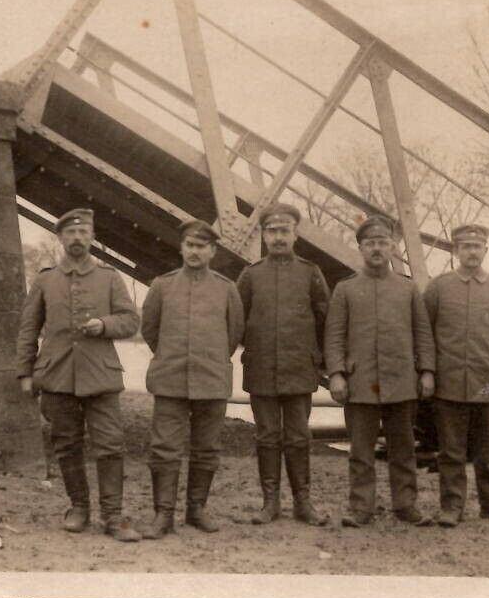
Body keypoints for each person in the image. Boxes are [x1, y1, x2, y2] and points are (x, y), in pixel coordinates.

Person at [16, 208, 142, 542]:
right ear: (60, 238)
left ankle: (113, 516)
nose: (77, 238)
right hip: (57, 376)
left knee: (111, 445)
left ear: (92, 237)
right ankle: (78, 508)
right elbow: (28, 329)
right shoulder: (45, 280)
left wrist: (104, 325)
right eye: (70, 233)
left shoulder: (109, 278)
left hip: (101, 377)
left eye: (83, 232)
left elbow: (130, 320)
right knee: (67, 445)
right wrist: (25, 373)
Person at [324, 214, 436, 527]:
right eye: (370, 243)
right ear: (360, 247)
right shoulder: (345, 289)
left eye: (382, 243)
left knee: (403, 449)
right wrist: (336, 374)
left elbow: (423, 333)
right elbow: (334, 336)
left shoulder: (408, 289)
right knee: (361, 451)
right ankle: (361, 508)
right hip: (360, 382)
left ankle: (406, 506)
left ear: (392, 247)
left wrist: (426, 371)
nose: (376, 248)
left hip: (401, 382)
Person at [139, 219, 244, 538]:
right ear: (181, 247)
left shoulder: (227, 289)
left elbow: (233, 334)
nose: (194, 251)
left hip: (211, 380)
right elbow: (150, 330)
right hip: (170, 380)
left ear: (212, 251)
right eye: (189, 245)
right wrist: (173, 356)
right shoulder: (162, 285)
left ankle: (196, 509)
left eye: (201, 246)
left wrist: (209, 359)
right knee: (164, 448)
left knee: (207, 448)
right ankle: (164, 515)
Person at [236, 202, 330, 526]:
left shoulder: (310, 273)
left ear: (296, 234)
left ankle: (303, 502)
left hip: (299, 370)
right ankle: (270, 502)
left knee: (298, 436)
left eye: (284, 231)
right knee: (266, 436)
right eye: (272, 231)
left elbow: (325, 319)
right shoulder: (250, 275)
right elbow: (236, 321)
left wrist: (319, 360)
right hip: (261, 368)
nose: (278, 237)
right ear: (263, 235)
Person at [423, 223, 489, 525]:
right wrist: (427, 372)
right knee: (451, 450)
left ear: (485, 251)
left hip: (487, 383)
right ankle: (452, 507)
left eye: (477, 247)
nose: (471, 252)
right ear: (456, 251)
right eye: (465, 247)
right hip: (449, 383)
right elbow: (424, 334)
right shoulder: (438, 287)